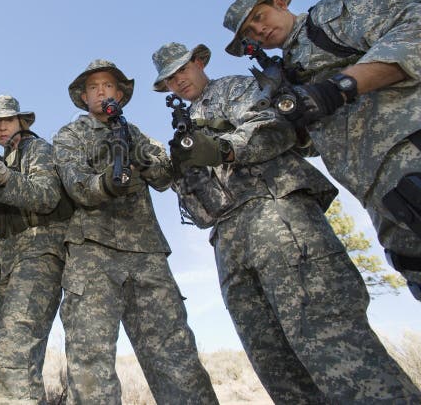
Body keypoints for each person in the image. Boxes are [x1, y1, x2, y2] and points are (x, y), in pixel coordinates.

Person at [153, 42, 421, 403]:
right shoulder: (186, 121)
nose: (178, 81)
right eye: (170, 79)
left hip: (276, 212)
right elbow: (200, 202)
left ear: (199, 62)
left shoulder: (233, 88)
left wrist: (223, 148)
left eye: (181, 70)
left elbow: (275, 127)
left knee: (332, 345)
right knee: (276, 364)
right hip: (228, 239)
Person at [223, 0, 421, 300]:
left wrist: (339, 87)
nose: (259, 30)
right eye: (250, 32)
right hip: (377, 193)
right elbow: (319, 142)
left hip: (410, 148)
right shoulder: (284, 76)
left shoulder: (330, 17)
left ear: (280, 3)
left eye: (260, 17)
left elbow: (414, 24)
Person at [52, 59, 218, 405]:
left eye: (109, 86)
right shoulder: (70, 136)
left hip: (146, 254)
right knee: (90, 364)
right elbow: (77, 185)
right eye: (94, 87)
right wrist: (109, 182)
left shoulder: (137, 132)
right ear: (84, 98)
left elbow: (164, 176)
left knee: (176, 356)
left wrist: (143, 156)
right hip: (91, 254)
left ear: (120, 94)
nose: (102, 92)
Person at [0, 94, 70, 405]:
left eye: (8, 120)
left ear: (20, 122)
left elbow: (46, 196)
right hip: (6, 260)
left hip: (38, 254)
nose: (2, 127)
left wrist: (4, 180)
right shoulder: (1, 160)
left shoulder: (38, 149)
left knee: (14, 355)